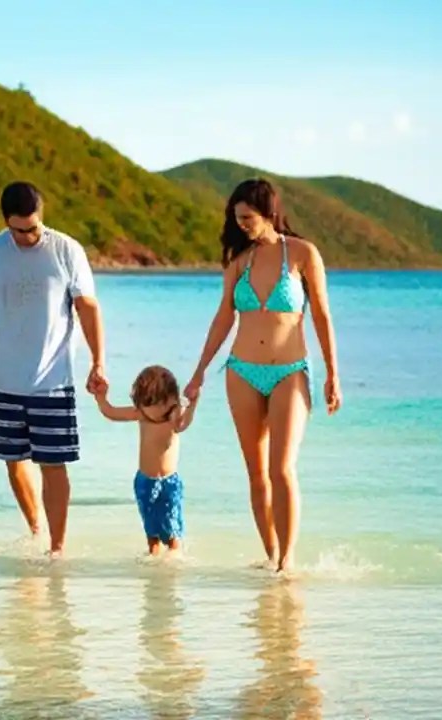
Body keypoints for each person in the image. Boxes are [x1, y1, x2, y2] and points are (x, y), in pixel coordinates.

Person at [184, 178, 341, 573]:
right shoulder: (239, 261)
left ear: (269, 213)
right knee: (256, 474)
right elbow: (224, 317)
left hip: (290, 371)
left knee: (281, 468)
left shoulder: (303, 254)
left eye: (248, 218)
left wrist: (332, 375)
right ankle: (271, 556)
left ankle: (288, 561)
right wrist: (200, 370)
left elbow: (321, 316)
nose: (242, 225)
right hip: (241, 372)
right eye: (237, 219)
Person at [0, 181, 107, 557]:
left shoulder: (66, 250)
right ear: (6, 222)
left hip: (53, 379)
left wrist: (98, 361)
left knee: (53, 464)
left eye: (33, 228)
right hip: (4, 379)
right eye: (18, 229)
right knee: (14, 460)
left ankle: (56, 549)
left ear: (42, 217)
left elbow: (88, 308)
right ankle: (36, 529)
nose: (27, 236)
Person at [92, 365, 197, 556]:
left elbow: (183, 424)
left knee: (173, 530)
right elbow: (110, 412)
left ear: (171, 400)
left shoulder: (174, 416)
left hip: (169, 482)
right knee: (151, 531)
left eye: (160, 402)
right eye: (147, 403)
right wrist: (101, 398)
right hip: (145, 482)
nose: (154, 409)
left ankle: (173, 563)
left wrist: (193, 403)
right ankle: (154, 564)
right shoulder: (141, 414)